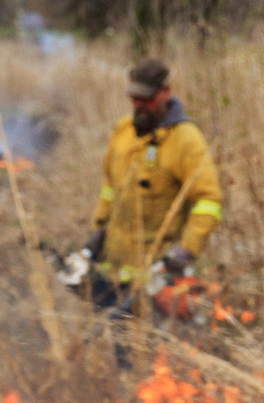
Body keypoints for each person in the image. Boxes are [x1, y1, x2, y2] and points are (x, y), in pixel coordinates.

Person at [84, 56, 223, 301]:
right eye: (134, 98)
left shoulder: (186, 140)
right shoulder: (123, 130)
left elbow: (209, 201)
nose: (139, 104)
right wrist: (97, 231)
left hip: (154, 282)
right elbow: (109, 188)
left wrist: (186, 250)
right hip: (112, 271)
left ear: (165, 93)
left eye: (146, 98)